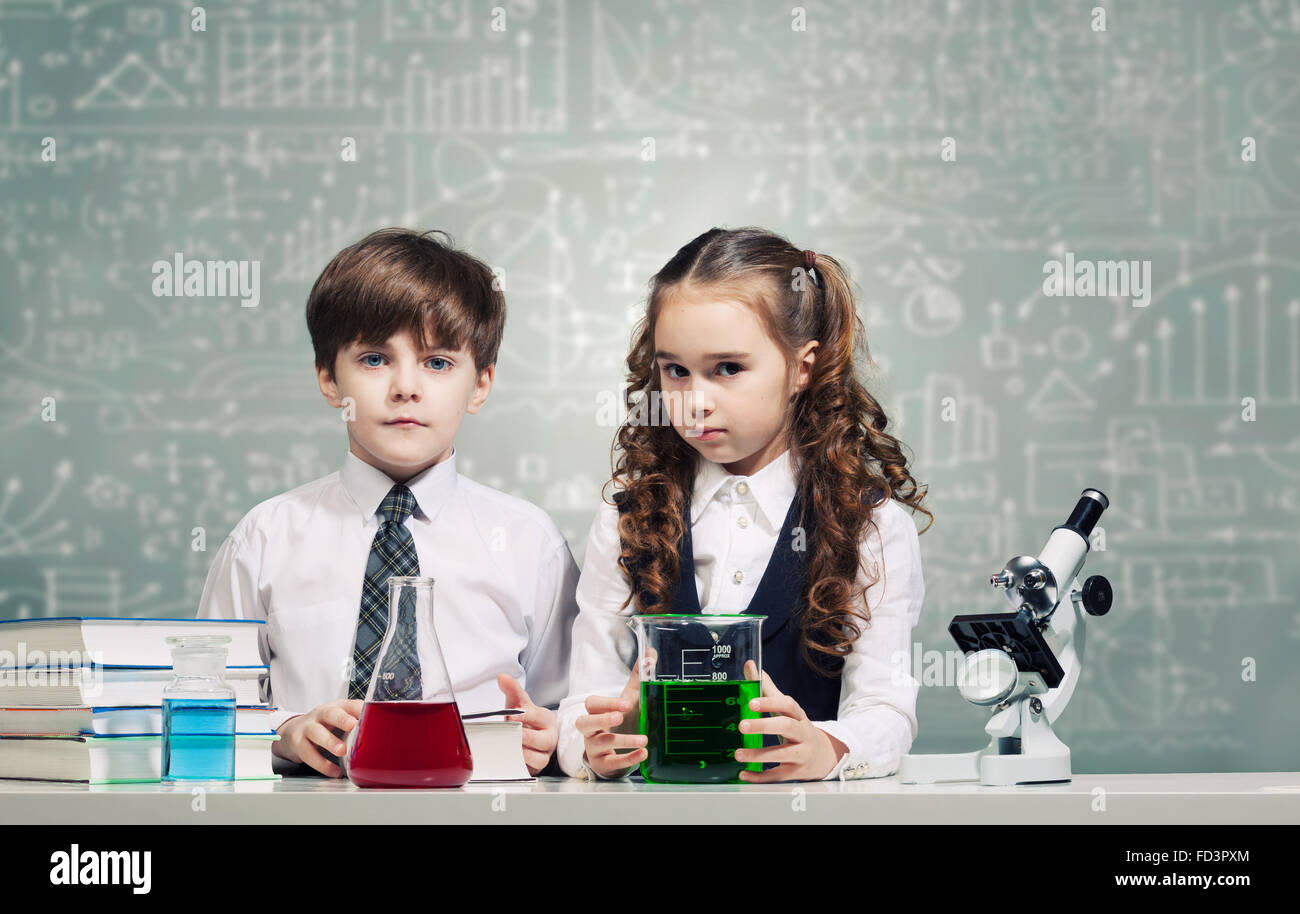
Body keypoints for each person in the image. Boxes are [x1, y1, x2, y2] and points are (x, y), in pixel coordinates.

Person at [557, 226, 933, 781]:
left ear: (802, 367)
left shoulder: (870, 526)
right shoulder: (625, 522)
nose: (694, 401)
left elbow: (885, 709)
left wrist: (825, 747)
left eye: (728, 369)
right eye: (675, 370)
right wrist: (592, 743)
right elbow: (581, 700)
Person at [199, 228, 578, 777]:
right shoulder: (265, 537)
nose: (406, 387)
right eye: (375, 359)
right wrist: (283, 733)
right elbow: (209, 705)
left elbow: (570, 705)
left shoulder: (528, 542)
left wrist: (555, 734)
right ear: (330, 379)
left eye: (438, 363)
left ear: (481, 384)